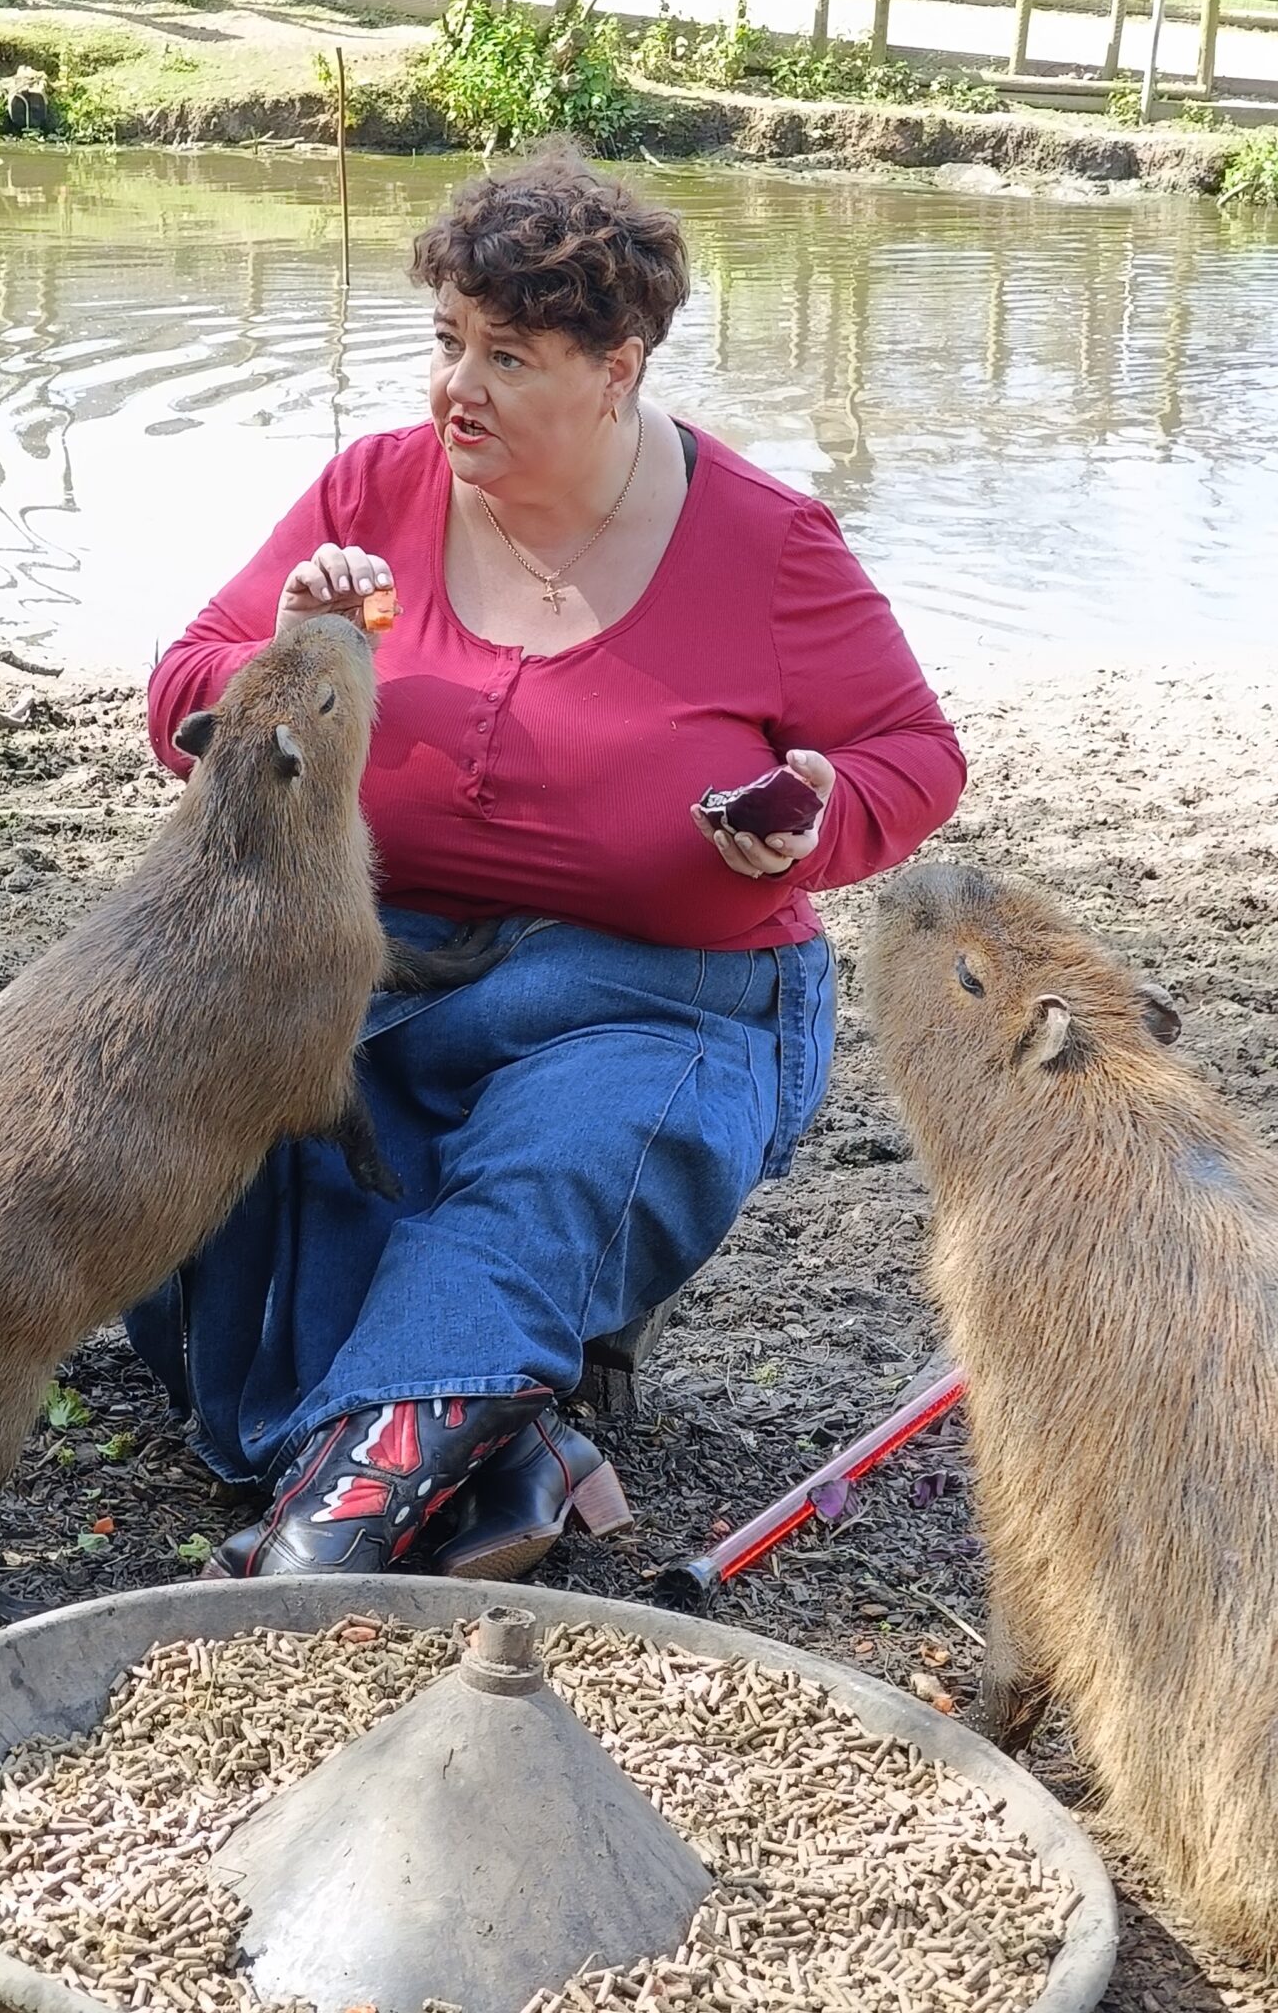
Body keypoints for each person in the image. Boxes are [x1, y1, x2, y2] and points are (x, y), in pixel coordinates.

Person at [129, 145, 966, 1583]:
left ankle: (332, 1529)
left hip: (667, 991)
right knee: (249, 1199)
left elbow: (912, 755)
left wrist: (816, 818)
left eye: (508, 355)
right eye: (448, 342)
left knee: (550, 1170)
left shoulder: (769, 545)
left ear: (617, 367)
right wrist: (285, 650)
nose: (457, 387)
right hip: (382, 970)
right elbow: (183, 687)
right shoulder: (375, 490)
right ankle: (503, 1463)